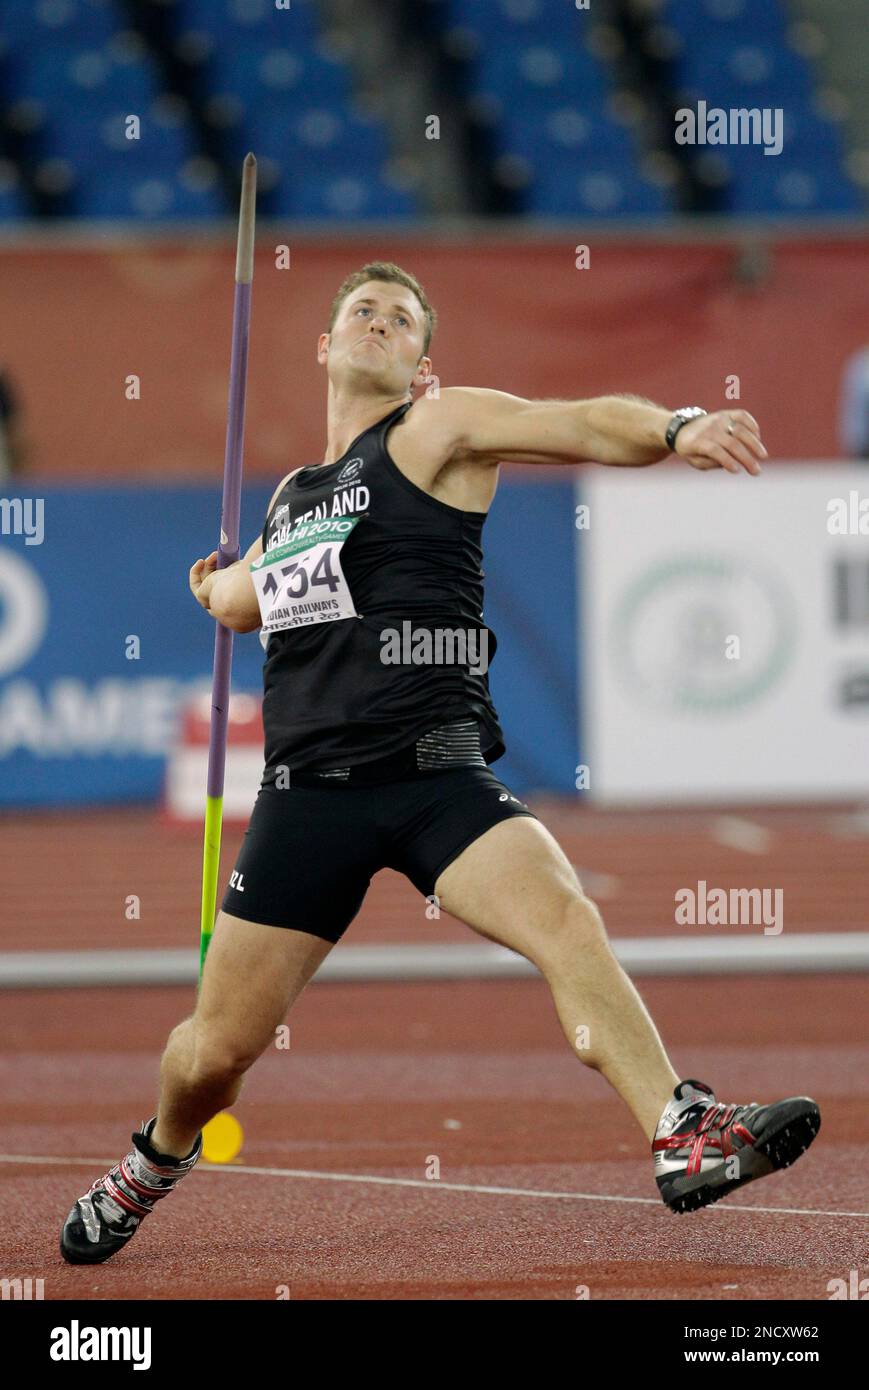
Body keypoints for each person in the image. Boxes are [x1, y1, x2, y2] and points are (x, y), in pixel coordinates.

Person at [60, 261, 819, 1265]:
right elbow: (249, 600)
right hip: (308, 799)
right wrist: (214, 588)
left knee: (566, 919)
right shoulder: (292, 496)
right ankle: (155, 1157)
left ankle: (678, 1130)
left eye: (401, 319)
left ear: (423, 362)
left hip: (436, 776)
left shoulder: (437, 430)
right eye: (360, 313)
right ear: (323, 347)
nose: (378, 323)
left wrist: (675, 427)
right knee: (212, 1056)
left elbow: (584, 421)